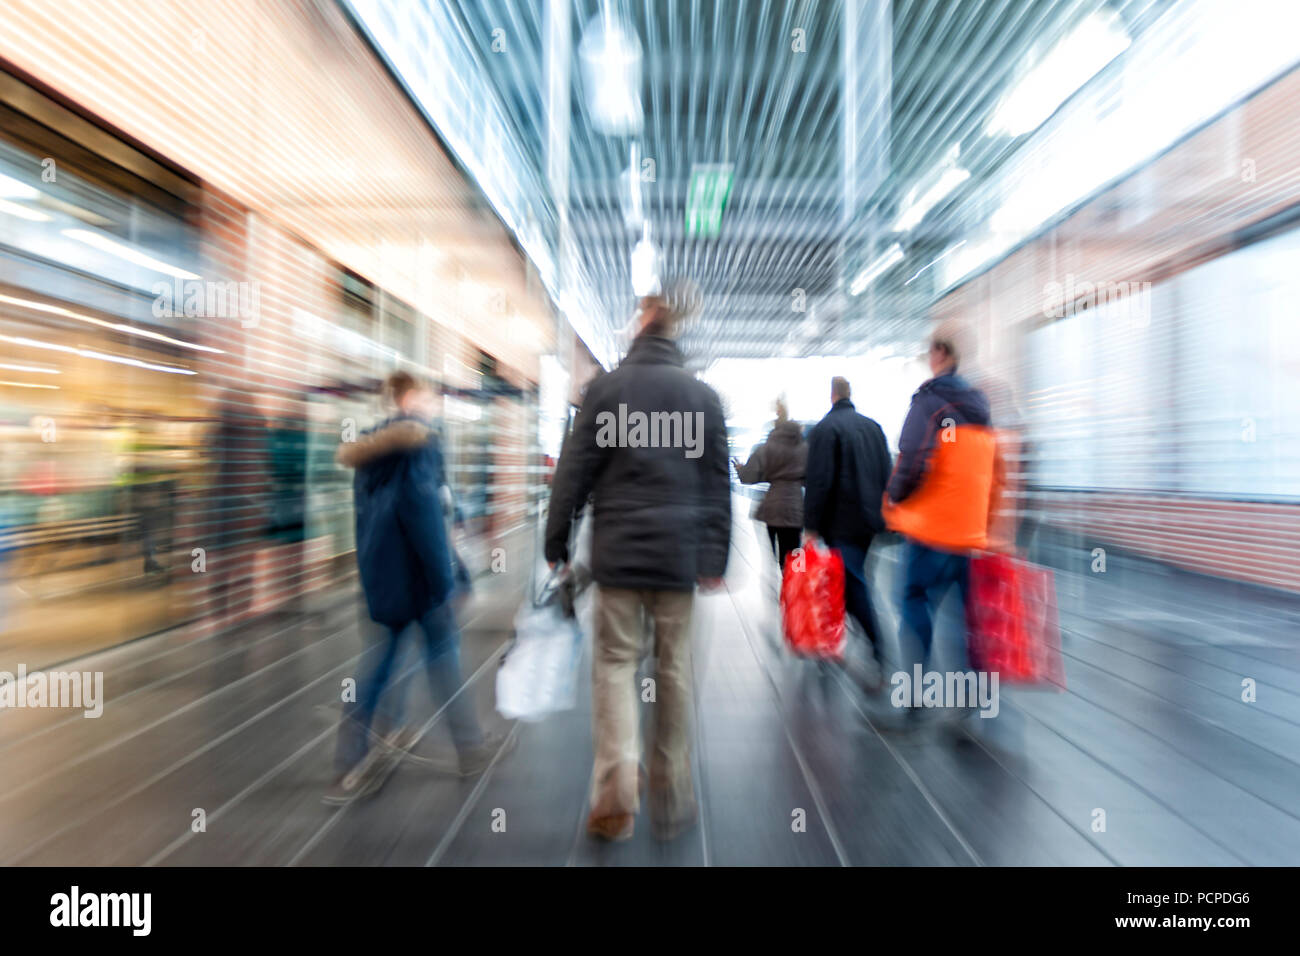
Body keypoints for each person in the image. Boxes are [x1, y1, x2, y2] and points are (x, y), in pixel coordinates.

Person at [545, 292, 730, 843]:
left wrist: (557, 543)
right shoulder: (701, 398)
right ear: (673, 334)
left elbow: (572, 476)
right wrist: (714, 558)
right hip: (677, 562)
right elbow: (716, 485)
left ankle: (616, 795)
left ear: (641, 326)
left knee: (614, 669)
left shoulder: (605, 393)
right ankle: (671, 793)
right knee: (673, 675)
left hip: (619, 559)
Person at [326, 372, 507, 804]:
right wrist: (447, 579)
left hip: (383, 578)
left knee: (382, 663)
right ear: (409, 398)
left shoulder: (368, 450)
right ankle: (469, 748)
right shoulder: (421, 442)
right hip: (421, 581)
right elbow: (424, 513)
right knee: (443, 658)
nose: (434, 403)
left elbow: (369, 519)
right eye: (428, 395)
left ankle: (353, 761)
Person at [883, 321, 998, 686]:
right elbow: (993, 468)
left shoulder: (930, 400)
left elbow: (913, 456)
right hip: (968, 530)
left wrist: (895, 495)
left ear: (940, 354)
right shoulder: (981, 407)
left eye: (930, 353)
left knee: (914, 601)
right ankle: (969, 694)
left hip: (931, 526)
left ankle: (916, 692)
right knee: (964, 614)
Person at [803, 376, 893, 676]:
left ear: (832, 395)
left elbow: (819, 481)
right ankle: (830, 642)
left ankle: (879, 648)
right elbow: (886, 472)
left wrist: (812, 525)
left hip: (840, 521)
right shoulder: (873, 428)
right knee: (846, 580)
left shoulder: (825, 429)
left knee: (853, 584)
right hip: (870, 521)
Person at [734, 398, 807, 571]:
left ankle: (781, 573)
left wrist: (740, 469)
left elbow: (748, 477)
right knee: (795, 549)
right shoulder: (805, 449)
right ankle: (795, 584)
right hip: (796, 505)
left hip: (773, 507)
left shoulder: (766, 448)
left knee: (777, 551)